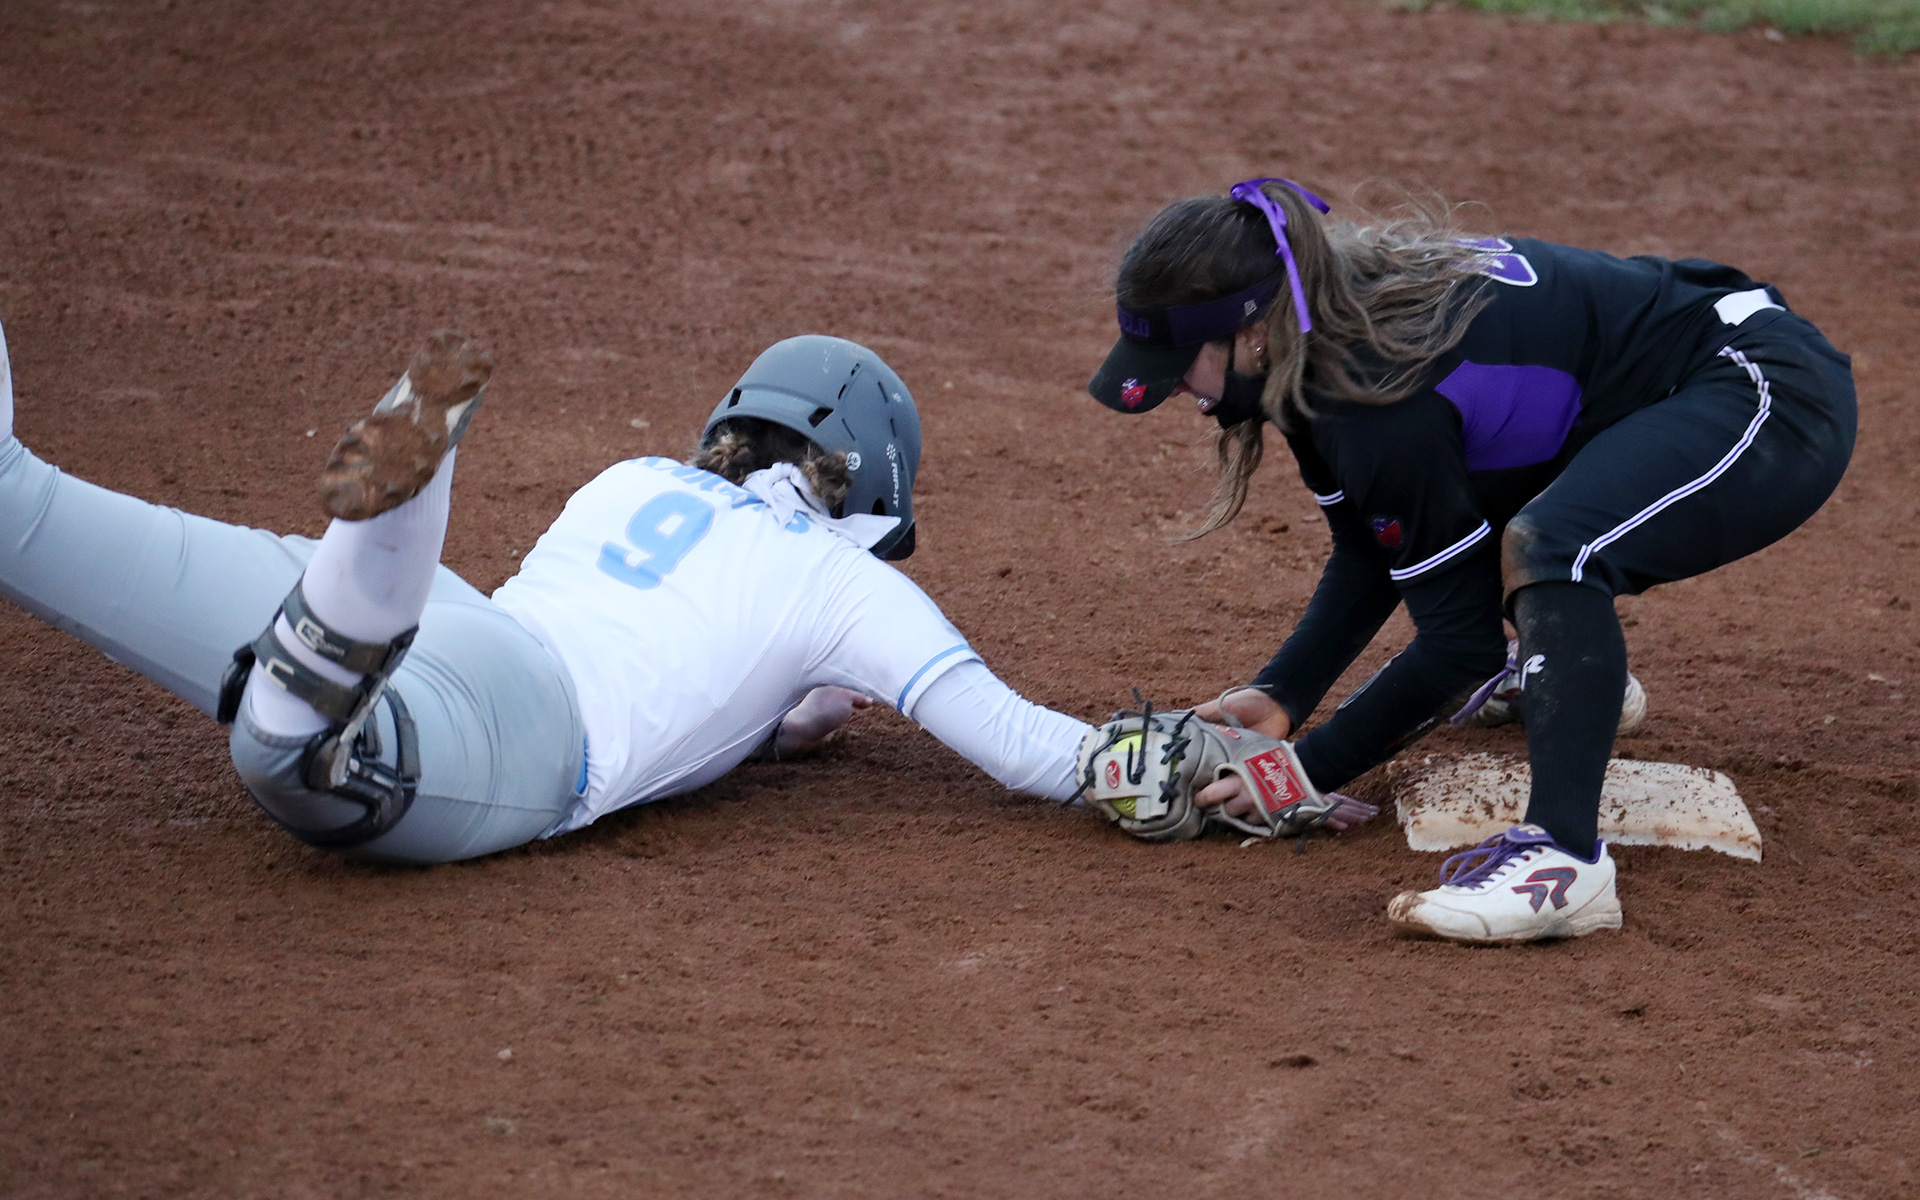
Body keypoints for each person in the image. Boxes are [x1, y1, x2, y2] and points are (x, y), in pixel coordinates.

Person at [0, 321, 1094, 864]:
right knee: (290, 759)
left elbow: (693, 653)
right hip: (520, 735)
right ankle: (348, 605)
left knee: (23, 511)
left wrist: (780, 725)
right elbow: (1016, 745)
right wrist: (1143, 766)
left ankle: (361, 568)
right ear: (865, 492)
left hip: (465, 623)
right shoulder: (841, 582)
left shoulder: (634, 482)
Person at [1086, 178, 1855, 943]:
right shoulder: (1312, 343)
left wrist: (1303, 770)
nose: (1174, 384)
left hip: (1763, 391)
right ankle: (1569, 674)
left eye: (1181, 357)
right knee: (1494, 514)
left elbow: (1459, 647)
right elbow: (1374, 541)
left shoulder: (1373, 396)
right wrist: (1285, 692)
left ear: (1251, 331)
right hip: (1658, 390)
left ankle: (1564, 865)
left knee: (1553, 546)